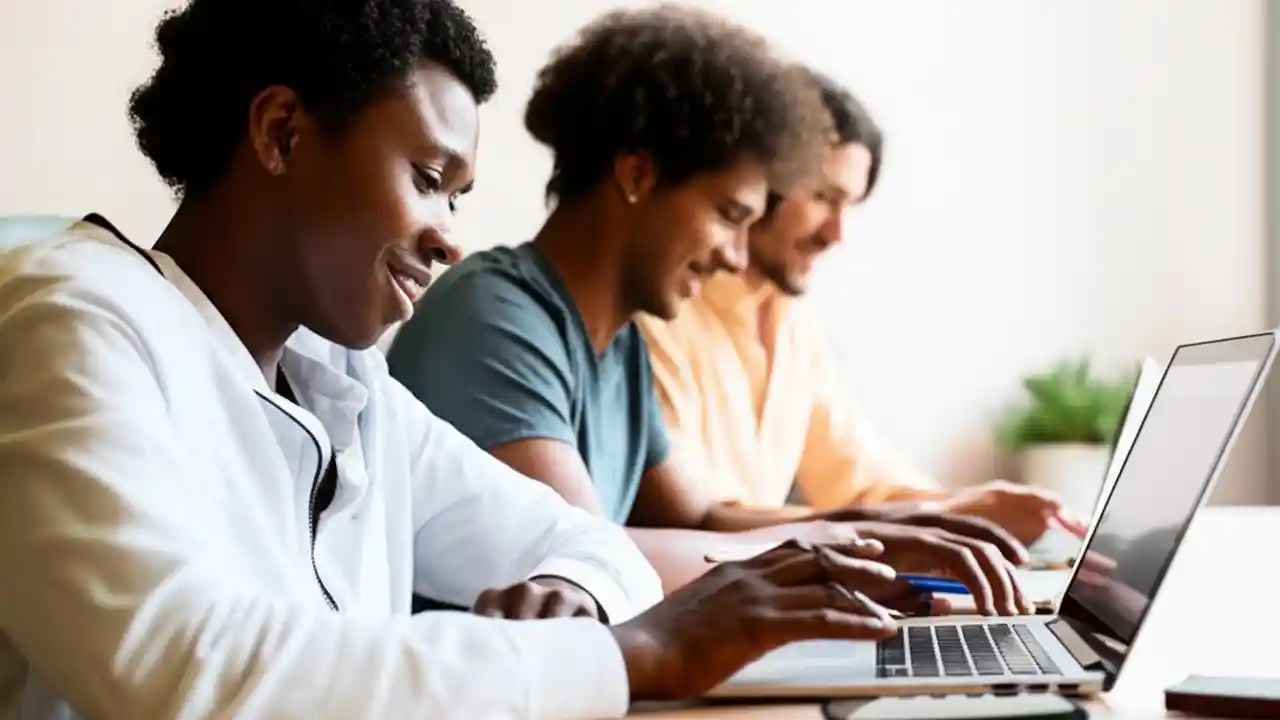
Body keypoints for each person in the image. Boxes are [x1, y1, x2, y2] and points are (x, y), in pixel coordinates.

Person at [0, 2, 924, 716]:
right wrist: (629, 654)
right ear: (282, 133)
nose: (449, 239)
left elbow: (587, 542)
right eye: (429, 181)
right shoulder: (75, 322)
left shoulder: (344, 384)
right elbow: (182, 665)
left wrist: (572, 593)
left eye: (459, 198)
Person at [388, 4, 1032, 614]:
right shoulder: (495, 314)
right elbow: (586, 561)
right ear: (638, 175)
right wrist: (846, 551)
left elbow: (704, 519)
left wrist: (898, 525)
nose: (734, 257)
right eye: (728, 217)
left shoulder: (619, 345)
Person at [636, 71, 1086, 547]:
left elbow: (859, 477)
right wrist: (934, 520)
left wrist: (967, 514)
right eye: (823, 198)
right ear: (758, 181)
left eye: (849, 204)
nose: (837, 233)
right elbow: (698, 517)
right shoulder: (658, 314)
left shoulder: (793, 324)